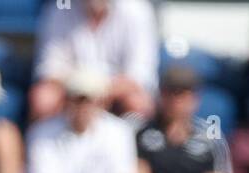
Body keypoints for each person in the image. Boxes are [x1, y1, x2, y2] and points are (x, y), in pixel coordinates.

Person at [30, 0, 159, 121]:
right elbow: (49, 68)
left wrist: (99, 90)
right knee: (43, 99)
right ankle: (46, 137)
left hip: (116, 92)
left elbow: (139, 75)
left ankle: (132, 138)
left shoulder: (138, 10)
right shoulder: (60, 8)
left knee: (138, 103)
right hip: (71, 90)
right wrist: (83, 90)